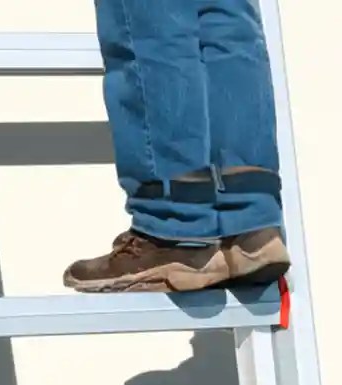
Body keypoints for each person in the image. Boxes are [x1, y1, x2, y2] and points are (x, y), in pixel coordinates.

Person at [63, 1, 291, 293]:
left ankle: (174, 228)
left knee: (150, 20)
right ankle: (250, 225)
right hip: (255, 209)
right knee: (223, 21)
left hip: (179, 222)